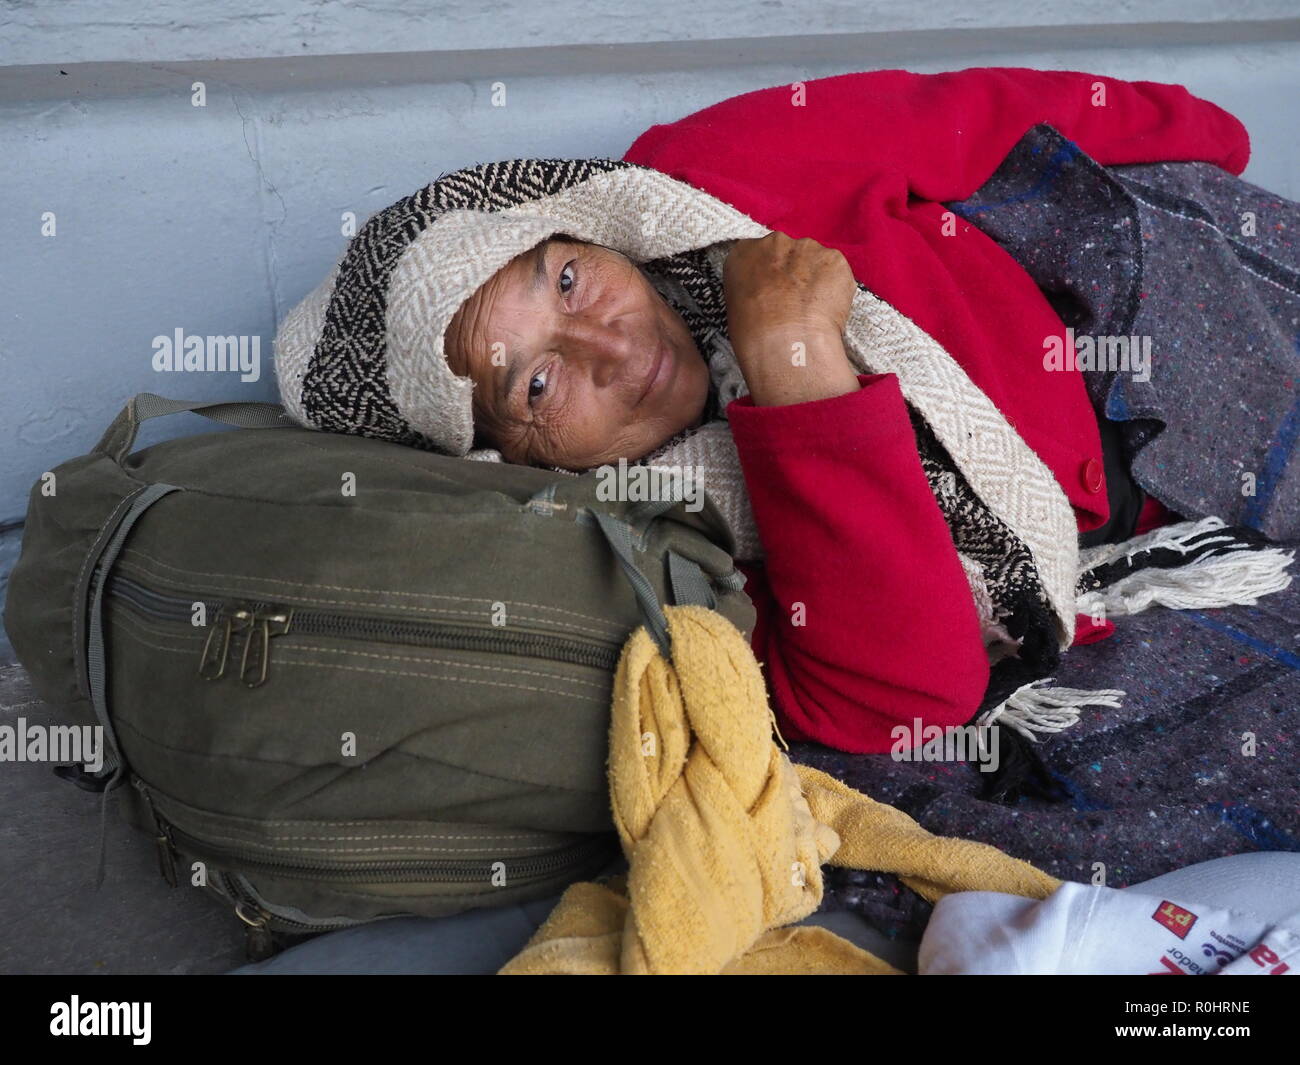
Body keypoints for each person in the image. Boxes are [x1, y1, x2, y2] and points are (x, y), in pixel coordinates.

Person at [274, 66, 1296, 757]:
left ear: (589, 229)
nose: (611, 348)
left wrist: (1201, 148)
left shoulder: (705, 168)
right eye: (536, 386)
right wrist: (798, 375)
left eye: (572, 281)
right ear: (503, 456)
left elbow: (967, 116)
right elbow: (913, 696)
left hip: (1173, 300)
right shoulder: (654, 547)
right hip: (1161, 535)